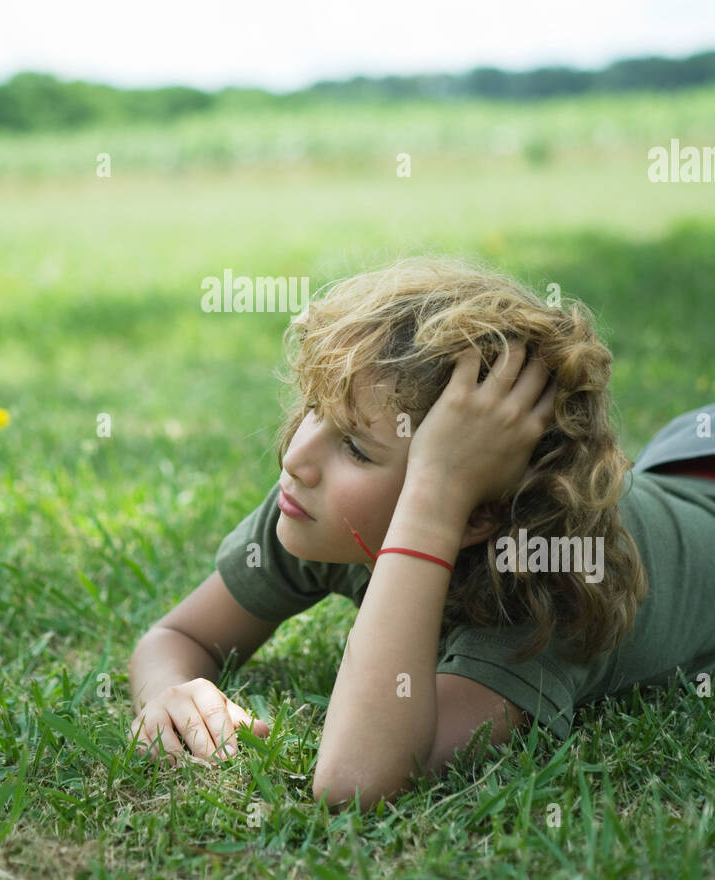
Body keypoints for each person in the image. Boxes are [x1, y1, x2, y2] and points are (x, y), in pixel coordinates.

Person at [127, 256, 715, 809]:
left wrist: (434, 498)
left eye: (356, 448)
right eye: (314, 410)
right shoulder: (323, 506)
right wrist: (170, 692)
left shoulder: (541, 593)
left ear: (478, 516)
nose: (297, 458)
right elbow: (177, 635)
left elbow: (355, 780)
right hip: (682, 450)